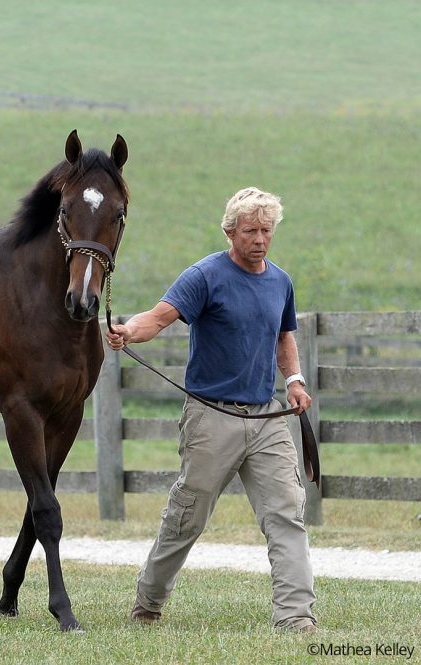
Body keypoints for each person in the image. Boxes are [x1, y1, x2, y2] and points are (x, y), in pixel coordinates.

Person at [106, 186, 316, 632]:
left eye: (267, 230)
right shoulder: (204, 276)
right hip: (211, 417)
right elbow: (160, 316)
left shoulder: (280, 281)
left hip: (266, 418)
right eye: (250, 231)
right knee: (187, 517)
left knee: (286, 513)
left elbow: (283, 336)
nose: (260, 239)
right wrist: (129, 330)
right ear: (229, 232)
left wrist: (294, 380)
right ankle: (148, 603)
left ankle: (296, 617)